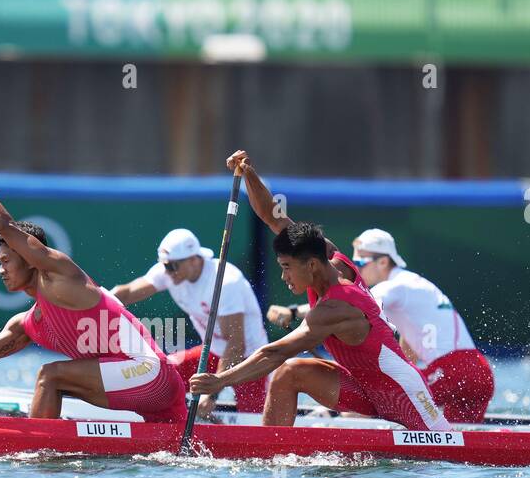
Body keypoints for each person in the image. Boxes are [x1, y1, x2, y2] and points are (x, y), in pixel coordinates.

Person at [0, 158, 186, 422]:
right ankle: (48, 443)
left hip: (151, 373)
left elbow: (5, 226)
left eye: (6, 260)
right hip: (151, 396)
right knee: (54, 381)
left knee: (50, 376)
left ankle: (39, 453)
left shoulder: (61, 277)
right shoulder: (29, 323)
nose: (0, 269)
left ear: (28, 257)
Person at [189, 152, 449, 431]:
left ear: (312, 265)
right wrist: (247, 173)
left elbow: (274, 353)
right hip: (361, 385)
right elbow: (271, 216)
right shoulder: (326, 256)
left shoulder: (336, 307)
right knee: (289, 374)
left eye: (287, 268)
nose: (284, 276)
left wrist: (220, 381)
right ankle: (269, 453)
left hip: (400, 391)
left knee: (445, 454)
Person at [111, 228, 268, 418]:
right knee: (162, 375)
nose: (167, 272)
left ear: (194, 260)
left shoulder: (225, 282)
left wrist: (211, 393)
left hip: (249, 359)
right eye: (165, 266)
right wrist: (94, 301)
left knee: (255, 418)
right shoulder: (169, 271)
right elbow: (126, 293)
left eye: (172, 267)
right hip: (212, 353)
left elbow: (236, 344)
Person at [350, 228, 495, 423]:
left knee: (386, 404)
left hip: (451, 371)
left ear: (383, 262)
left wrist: (294, 312)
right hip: (480, 372)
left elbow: (351, 306)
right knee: (458, 439)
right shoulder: (414, 284)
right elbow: (409, 349)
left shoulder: (395, 286)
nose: (356, 270)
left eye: (359, 263)